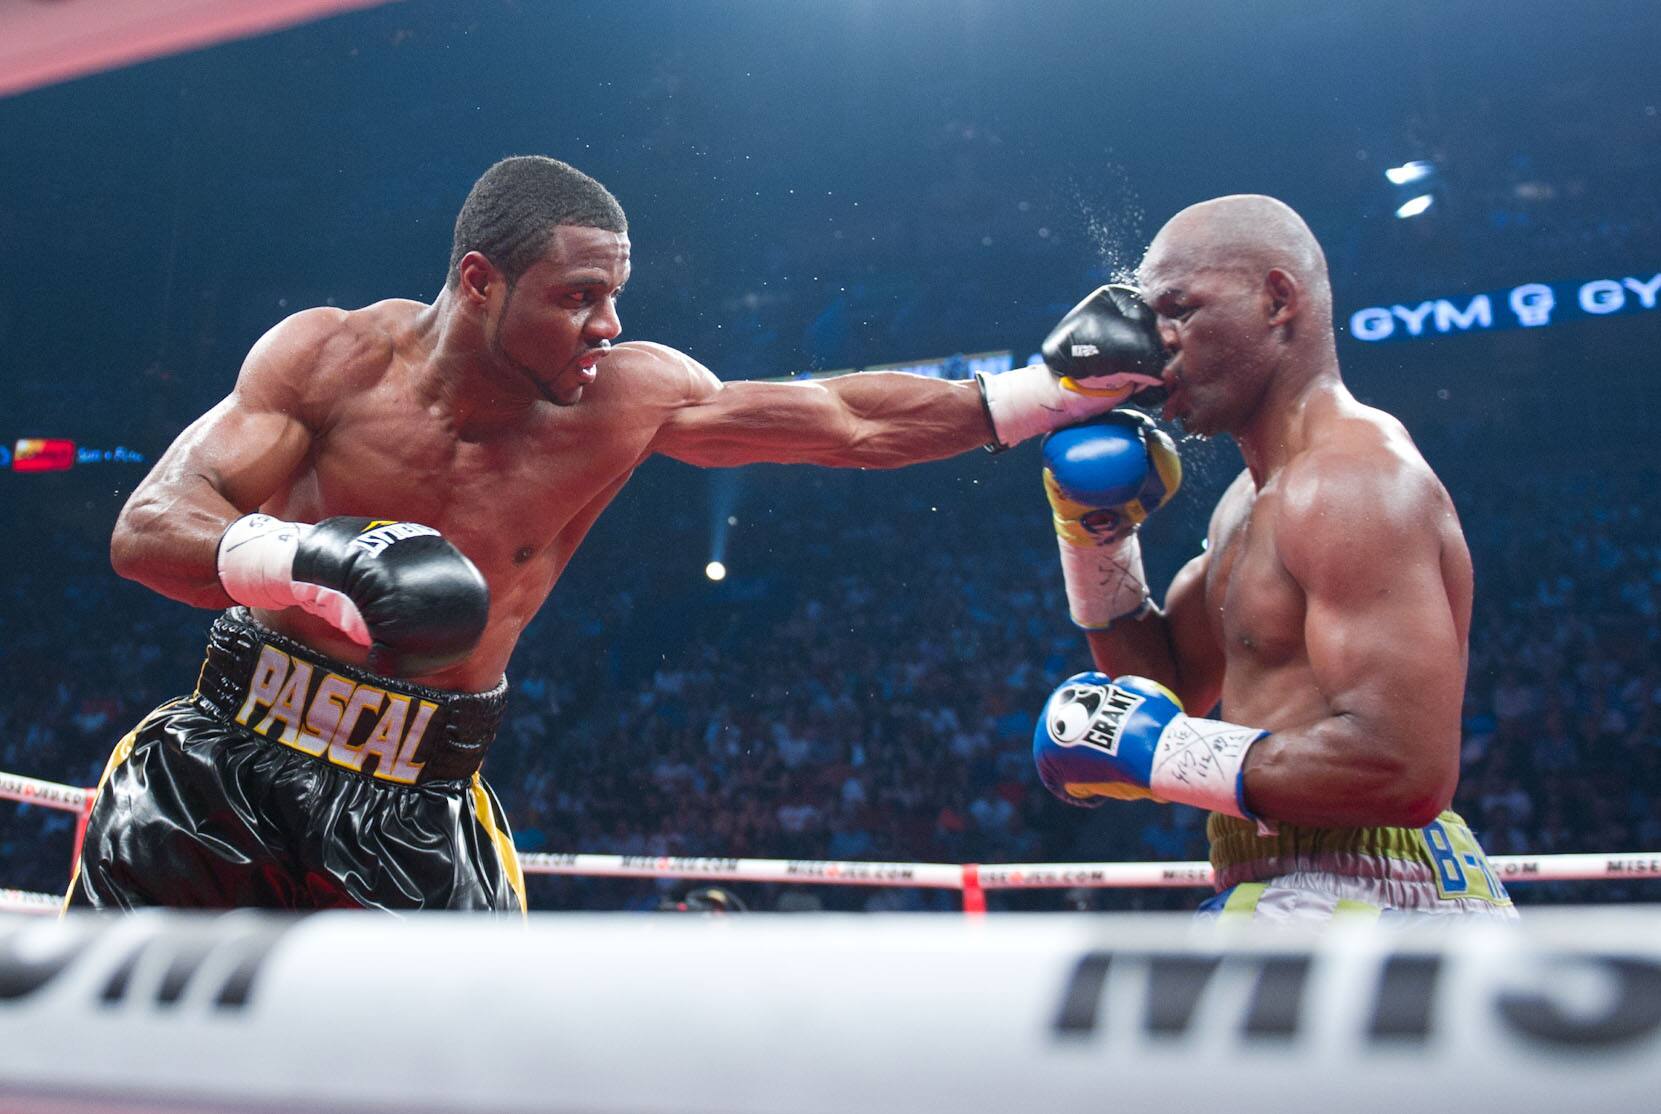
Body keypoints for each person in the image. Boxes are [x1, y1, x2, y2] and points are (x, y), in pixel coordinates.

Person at [67, 155, 1164, 913]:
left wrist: (1043, 392)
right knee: (100, 1063)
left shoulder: (627, 399)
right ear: (478, 280)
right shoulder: (326, 359)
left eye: (615, 294)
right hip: (222, 757)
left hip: (415, 793)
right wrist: (310, 560)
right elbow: (150, 525)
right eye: (579, 294)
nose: (609, 323)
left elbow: (843, 422)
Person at [1031, 195, 1515, 922]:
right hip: (1292, 879)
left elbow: (1406, 770)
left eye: (1178, 310)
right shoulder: (1249, 500)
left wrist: (1162, 755)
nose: (1153, 346)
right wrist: (1096, 537)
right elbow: (1162, 687)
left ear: (1276, 299)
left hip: (1372, 885)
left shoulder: (1350, 481)